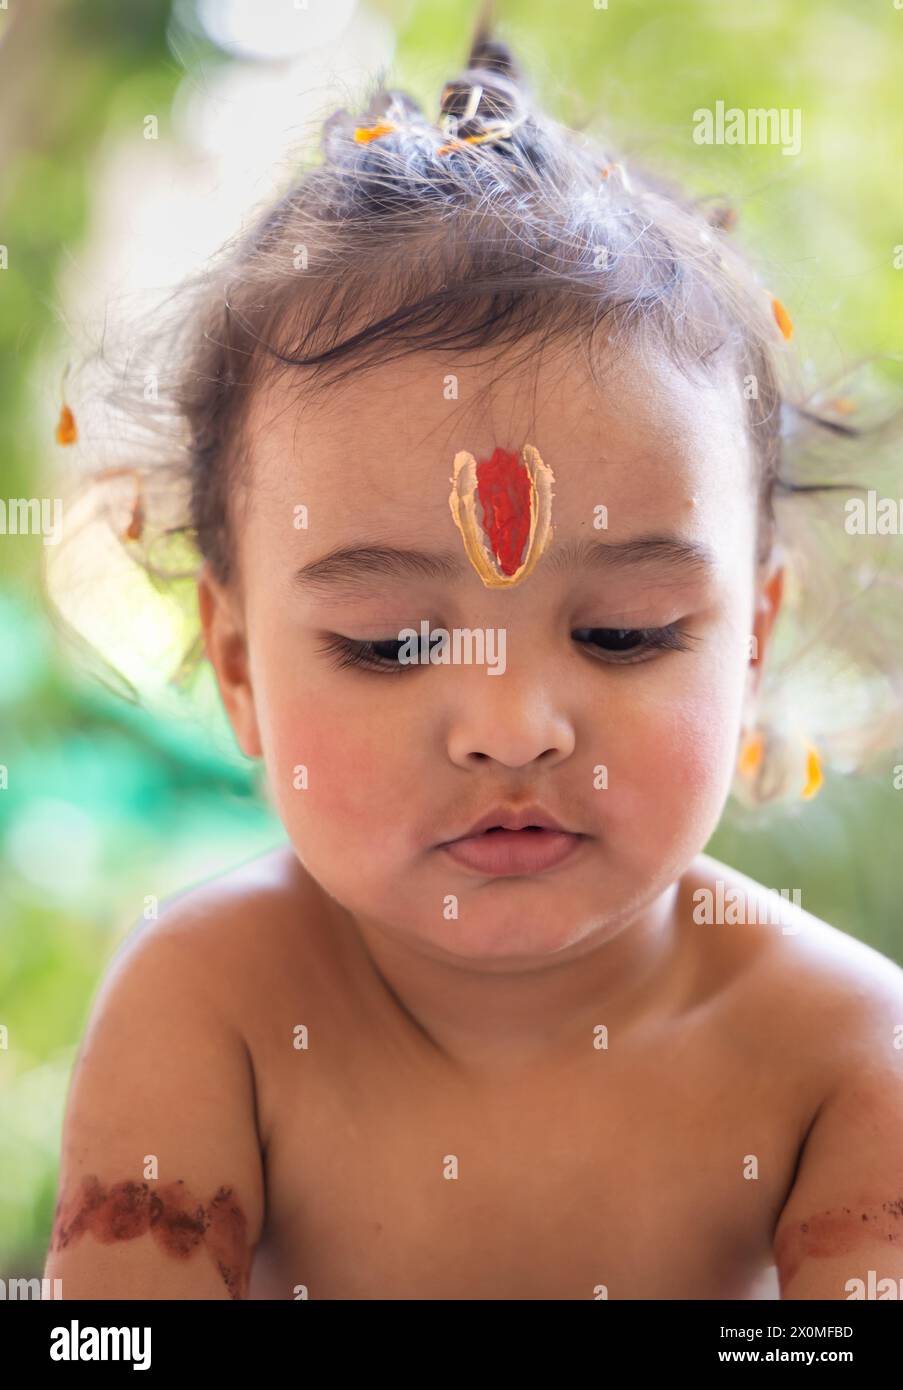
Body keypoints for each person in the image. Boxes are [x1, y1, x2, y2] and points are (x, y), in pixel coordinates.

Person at [43, 15, 903, 1300]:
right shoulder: (208, 1007)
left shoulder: (846, 1052)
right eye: (391, 645)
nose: (512, 726)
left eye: (623, 633)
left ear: (755, 639)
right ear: (235, 669)